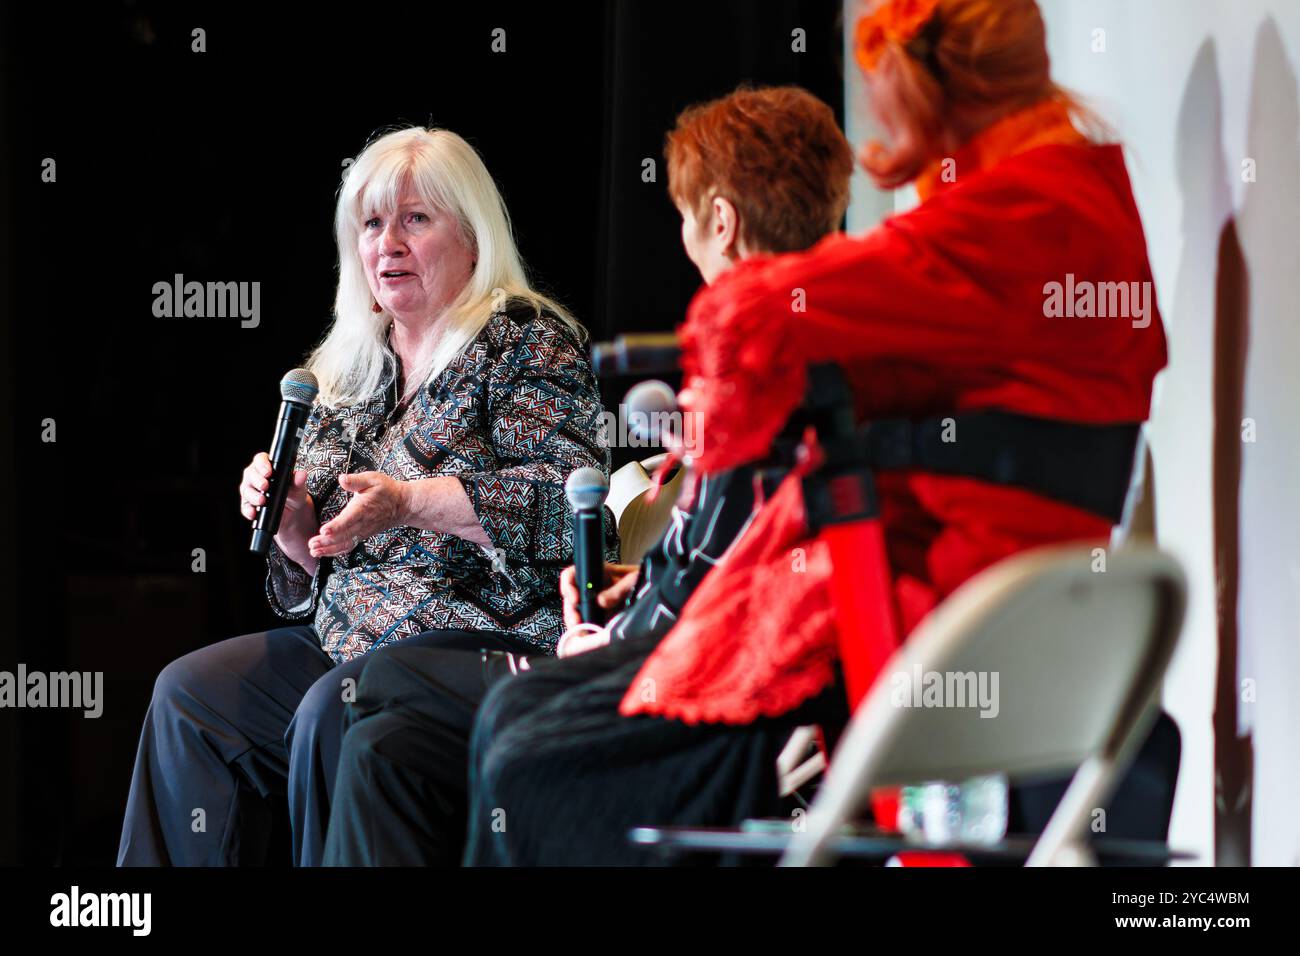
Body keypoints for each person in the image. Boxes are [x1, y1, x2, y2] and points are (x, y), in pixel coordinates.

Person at [463, 0, 1176, 866]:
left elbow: (746, 324)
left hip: (927, 619)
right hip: (1006, 613)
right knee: (515, 722)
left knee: (525, 747)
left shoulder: (1016, 216)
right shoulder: (1084, 202)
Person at [319, 85, 856, 865]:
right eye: (372, 224)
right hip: (706, 654)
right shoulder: (837, 334)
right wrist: (628, 594)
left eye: (683, 215)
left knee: (417, 695)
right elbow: (732, 554)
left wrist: (607, 637)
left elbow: (735, 584)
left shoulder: (755, 353)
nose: (387, 243)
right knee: (379, 744)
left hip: (715, 692)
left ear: (721, 222)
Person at [116, 126, 615, 867]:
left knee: (333, 710)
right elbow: (303, 583)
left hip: (485, 646)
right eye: (373, 224)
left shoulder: (524, 342)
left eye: (416, 219)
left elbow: (568, 513)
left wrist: (412, 501)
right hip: (346, 641)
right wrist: (292, 524)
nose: (388, 243)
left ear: (473, 237)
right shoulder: (347, 368)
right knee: (189, 696)